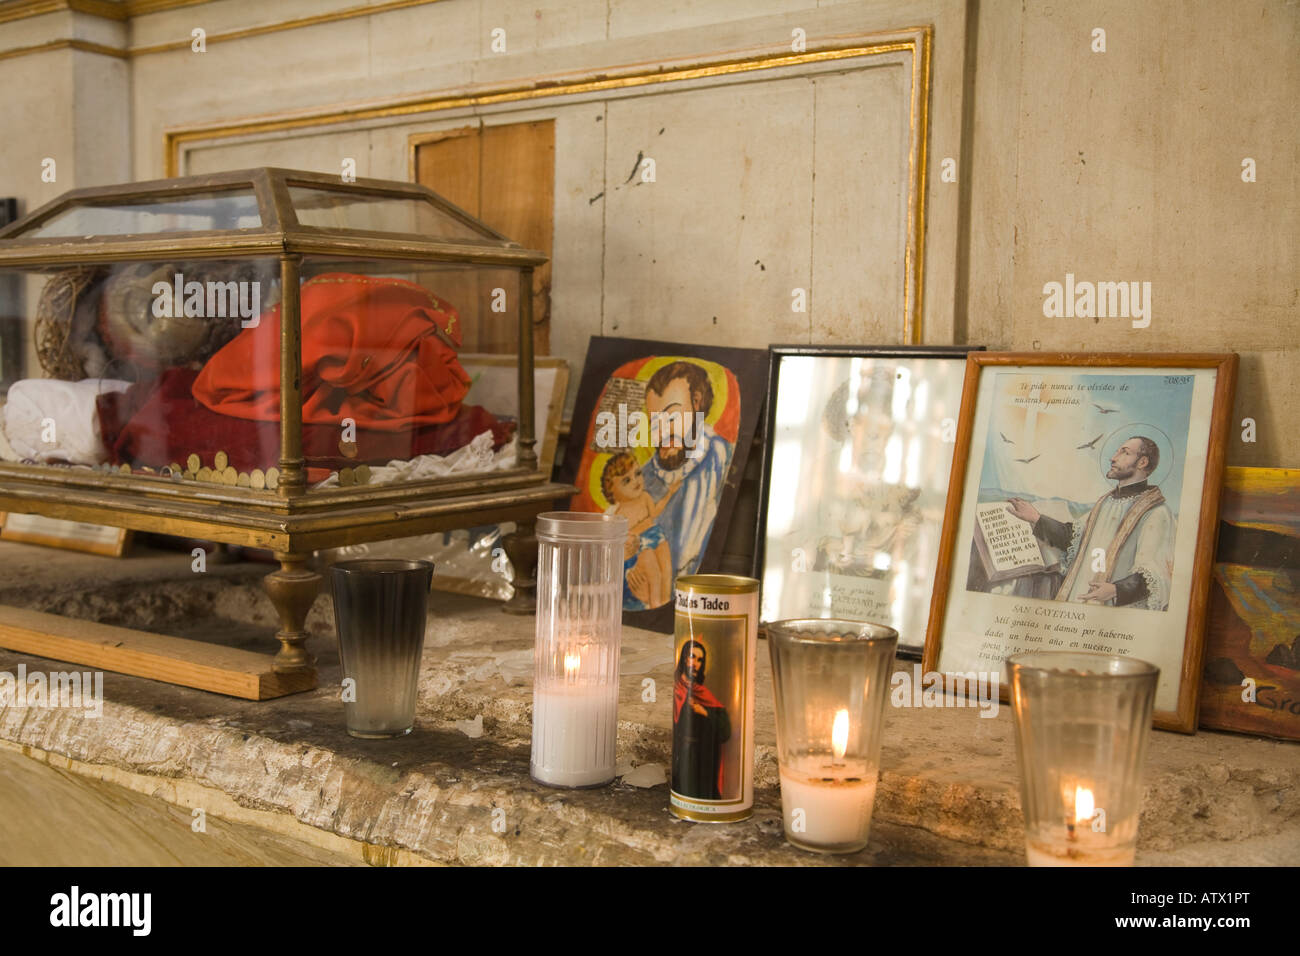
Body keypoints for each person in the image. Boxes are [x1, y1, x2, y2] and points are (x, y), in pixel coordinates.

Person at [1006, 435, 1175, 610]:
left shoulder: (1156, 513)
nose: (1113, 457)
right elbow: (1075, 538)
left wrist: (1115, 590)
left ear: (1142, 462)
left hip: (1118, 608)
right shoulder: (1105, 502)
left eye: (1124, 453)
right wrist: (1036, 518)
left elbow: (1155, 574)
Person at [628, 361, 734, 607]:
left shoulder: (722, 459)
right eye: (655, 421)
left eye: (672, 417)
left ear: (697, 404)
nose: (663, 432)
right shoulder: (644, 479)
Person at [601, 451, 680, 610]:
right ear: (612, 492)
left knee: (666, 568)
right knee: (650, 562)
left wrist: (669, 493)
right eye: (626, 481)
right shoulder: (617, 514)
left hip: (656, 535)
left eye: (637, 474)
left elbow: (655, 512)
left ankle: (665, 601)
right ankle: (655, 603)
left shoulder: (645, 497)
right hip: (639, 544)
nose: (635, 481)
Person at [672, 640, 731, 800]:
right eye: (692, 657)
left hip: (703, 760)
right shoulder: (678, 688)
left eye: (700, 660)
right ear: (683, 658)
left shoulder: (703, 693)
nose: (696, 663)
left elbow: (726, 731)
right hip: (683, 756)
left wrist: (703, 711)